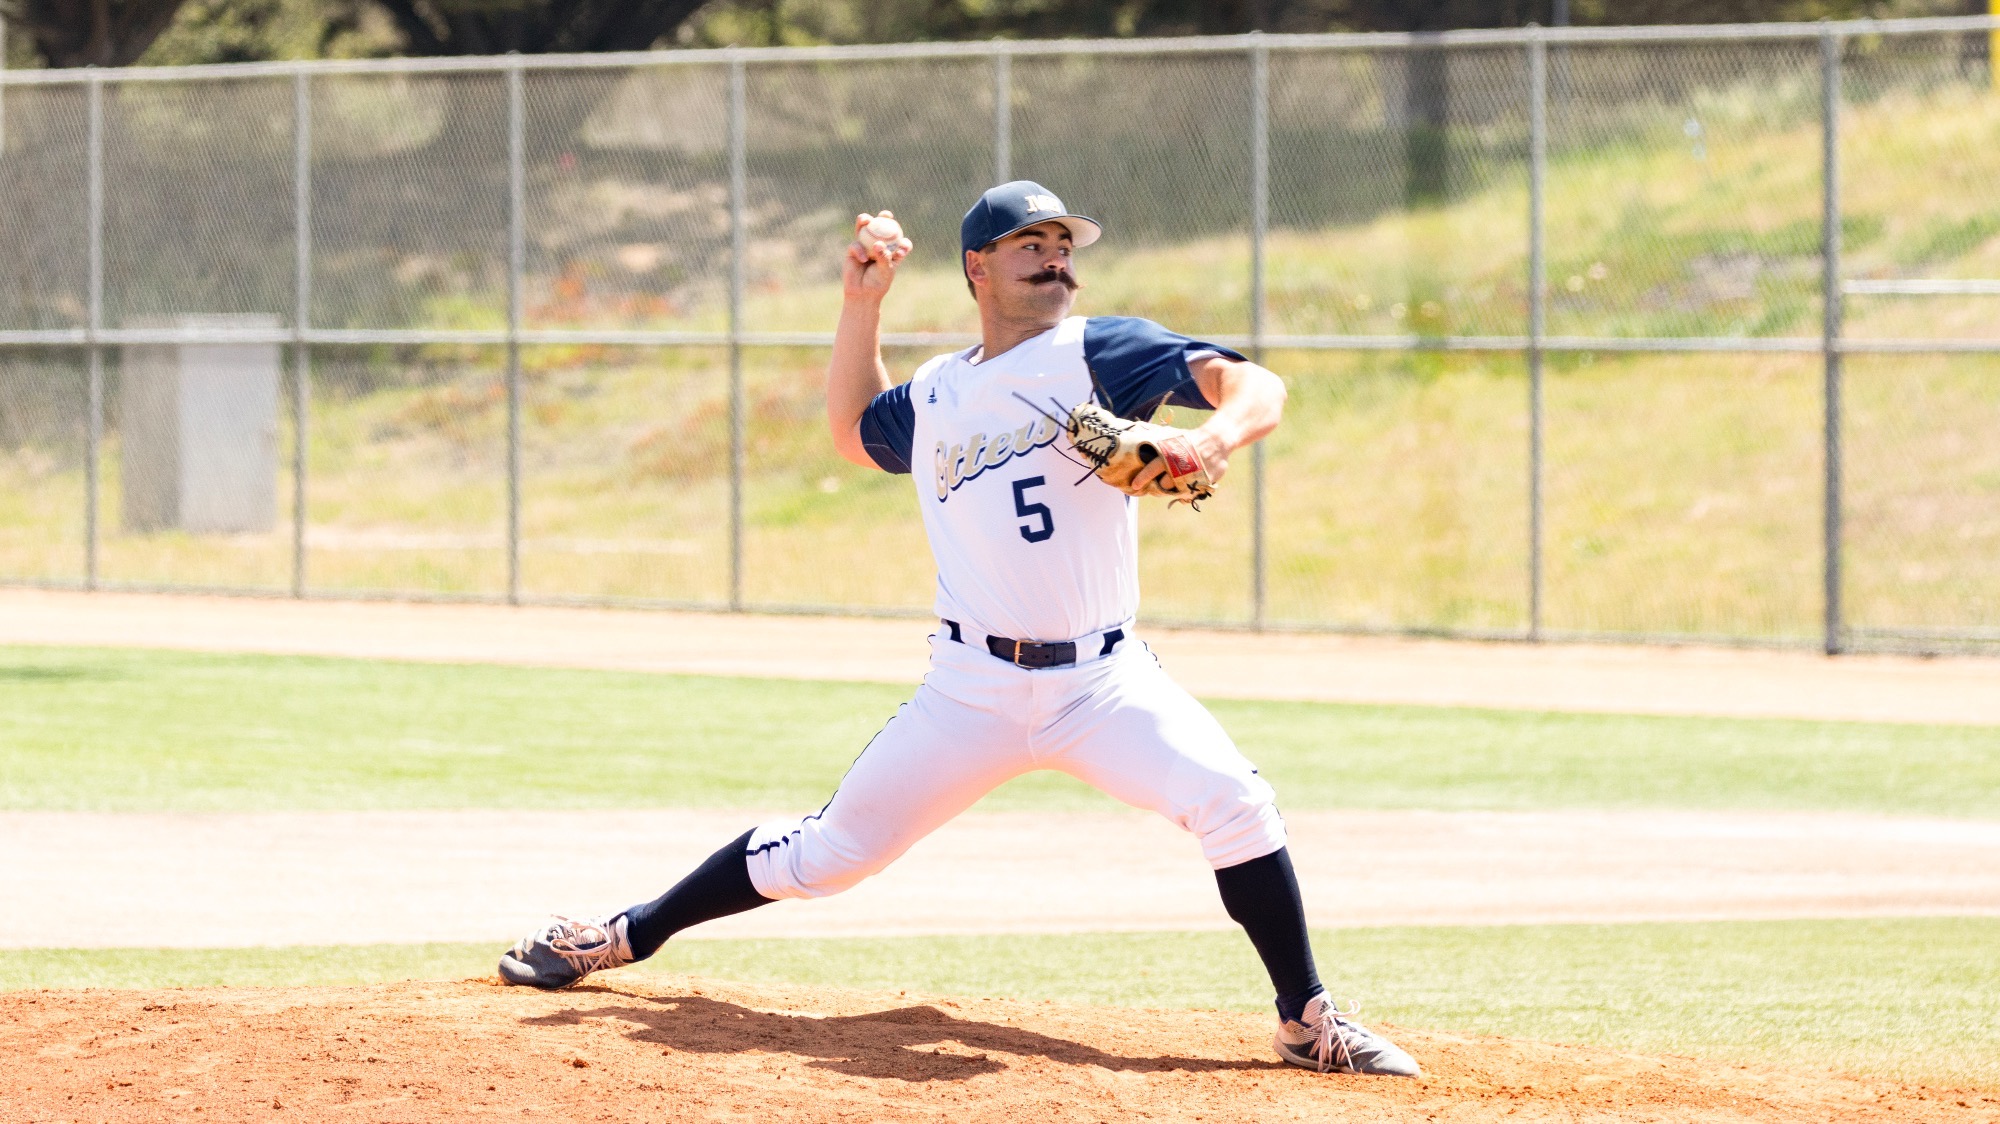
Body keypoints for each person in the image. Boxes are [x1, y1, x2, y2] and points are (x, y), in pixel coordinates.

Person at [498, 180, 1419, 1078]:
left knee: (1236, 804)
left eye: (1065, 249)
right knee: (828, 855)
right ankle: (623, 935)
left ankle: (1306, 1020)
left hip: (1103, 684)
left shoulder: (1101, 350)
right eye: (1034, 246)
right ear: (978, 266)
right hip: (968, 690)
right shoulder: (938, 394)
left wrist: (1214, 439)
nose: (1057, 263)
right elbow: (856, 435)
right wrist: (862, 303)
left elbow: (1255, 383)